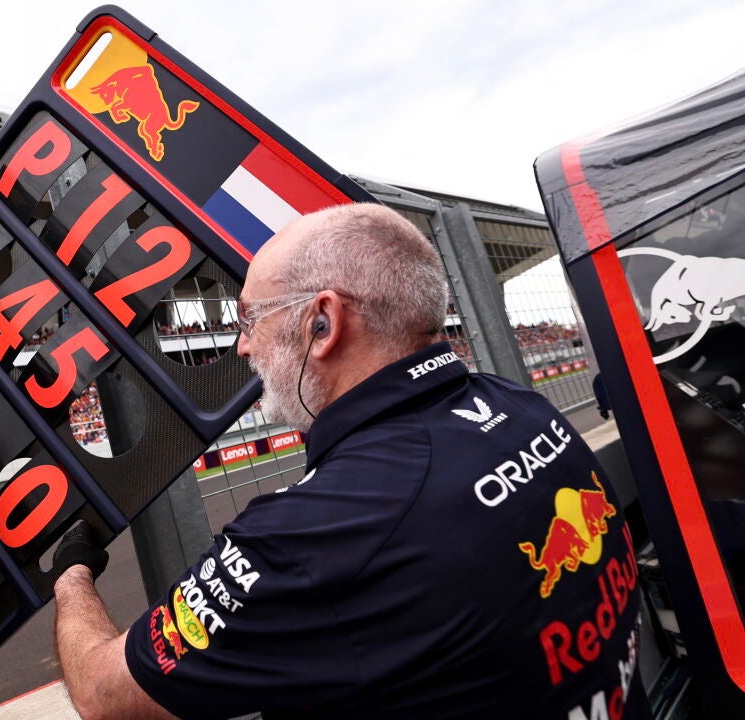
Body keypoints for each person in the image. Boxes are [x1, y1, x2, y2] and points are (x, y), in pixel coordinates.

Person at [52, 204, 650, 719]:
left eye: (251, 319)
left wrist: (72, 574)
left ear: (323, 322)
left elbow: (105, 694)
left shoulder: (319, 529)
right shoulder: (522, 406)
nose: (242, 344)